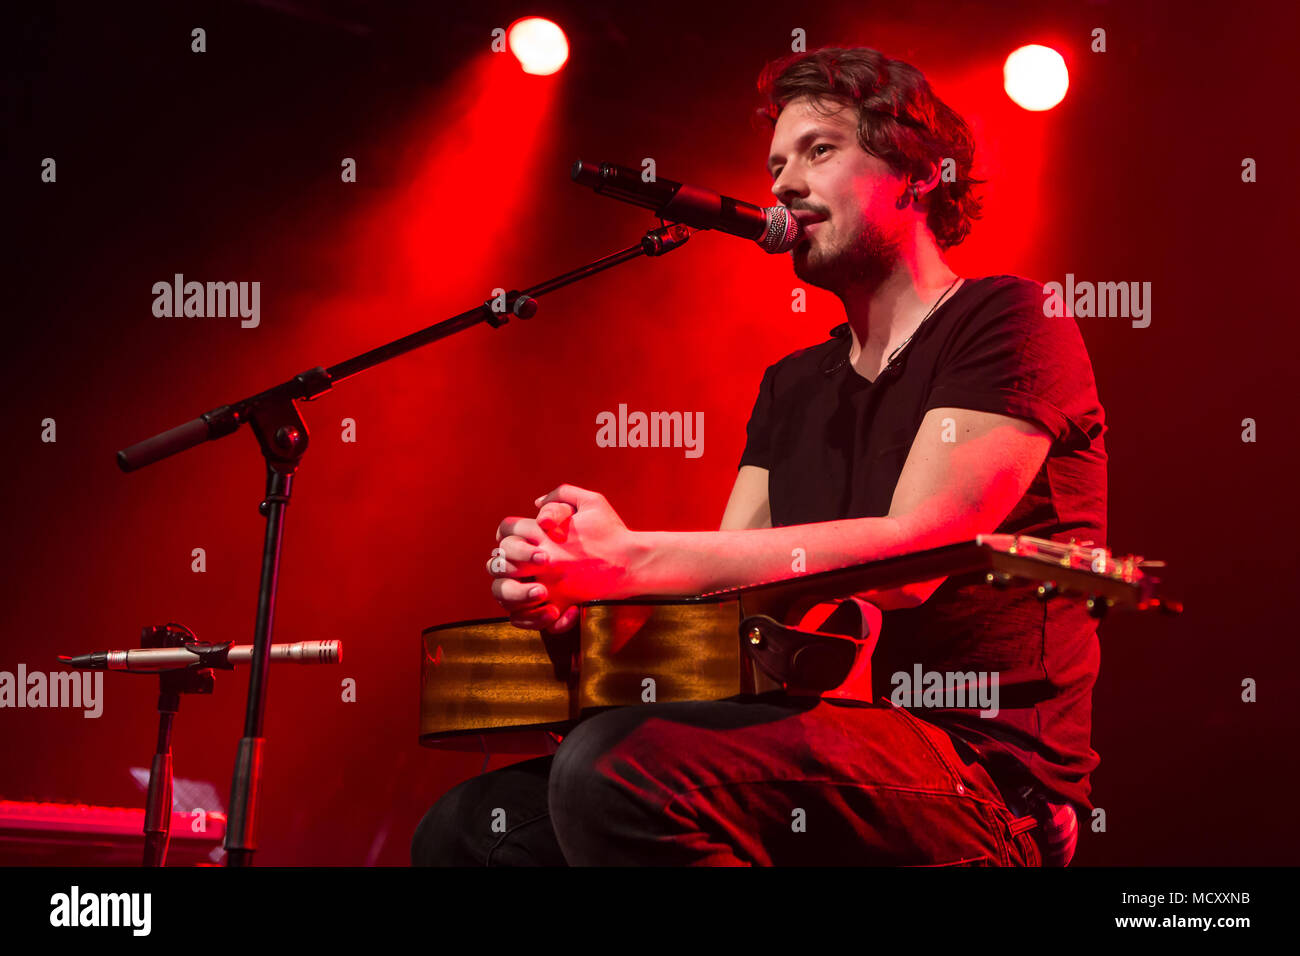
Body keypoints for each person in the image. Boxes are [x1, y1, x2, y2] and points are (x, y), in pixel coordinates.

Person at [413, 46, 1105, 866]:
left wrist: (630, 557)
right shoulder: (791, 385)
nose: (779, 184)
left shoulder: (1010, 318)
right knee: (468, 829)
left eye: (818, 150)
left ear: (918, 175)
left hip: (976, 774)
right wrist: (578, 601)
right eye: (775, 163)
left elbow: (921, 555)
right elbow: (731, 626)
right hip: (804, 742)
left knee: (616, 771)